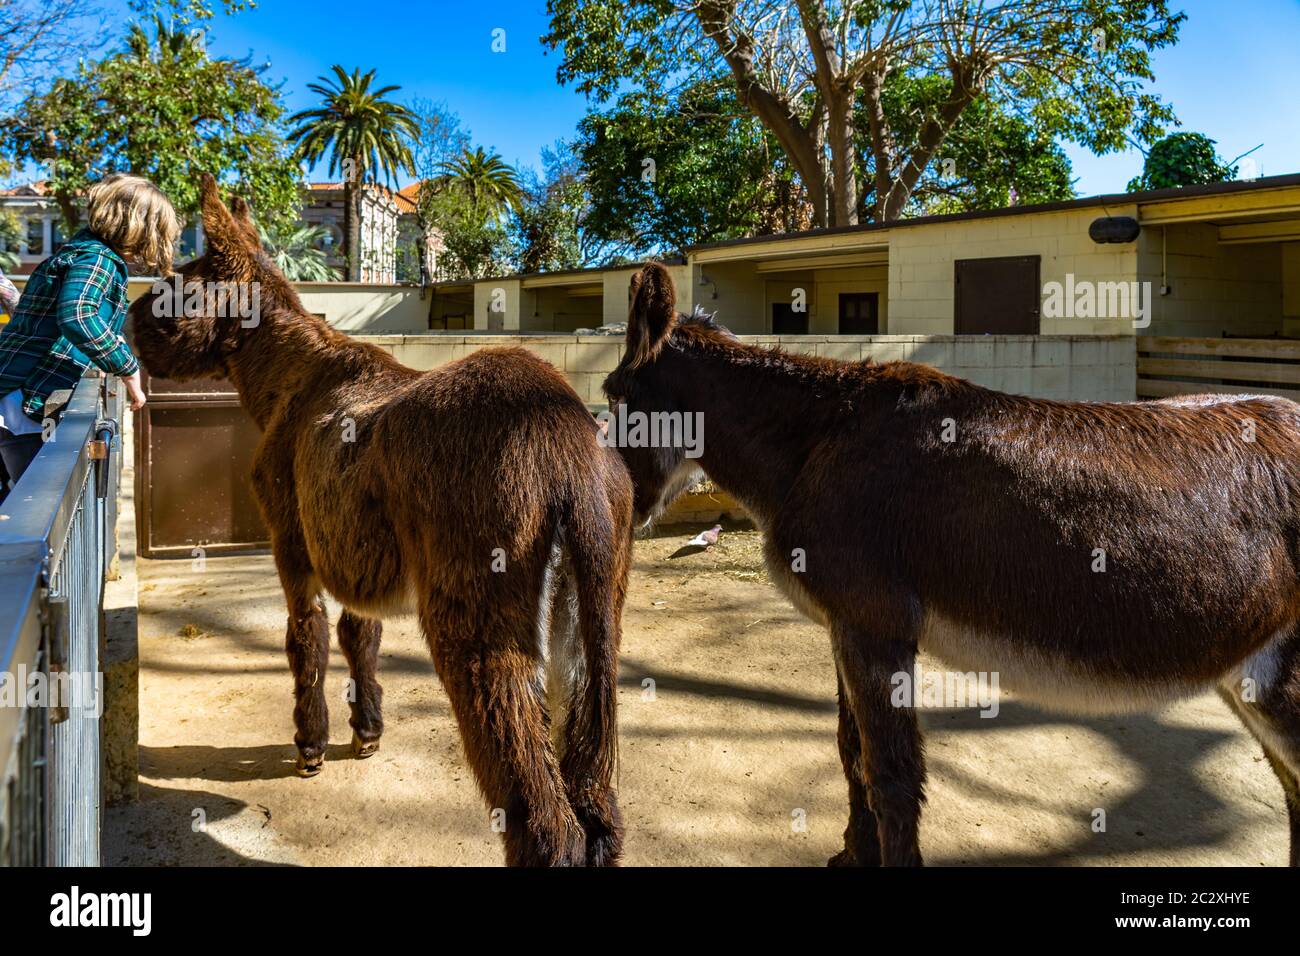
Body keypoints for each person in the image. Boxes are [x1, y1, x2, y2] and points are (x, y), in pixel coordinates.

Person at [0, 174, 177, 492]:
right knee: (37, 503)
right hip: (26, 396)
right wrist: (127, 367)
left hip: (42, 391)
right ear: (140, 228)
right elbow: (78, 314)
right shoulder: (98, 260)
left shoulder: (82, 251)